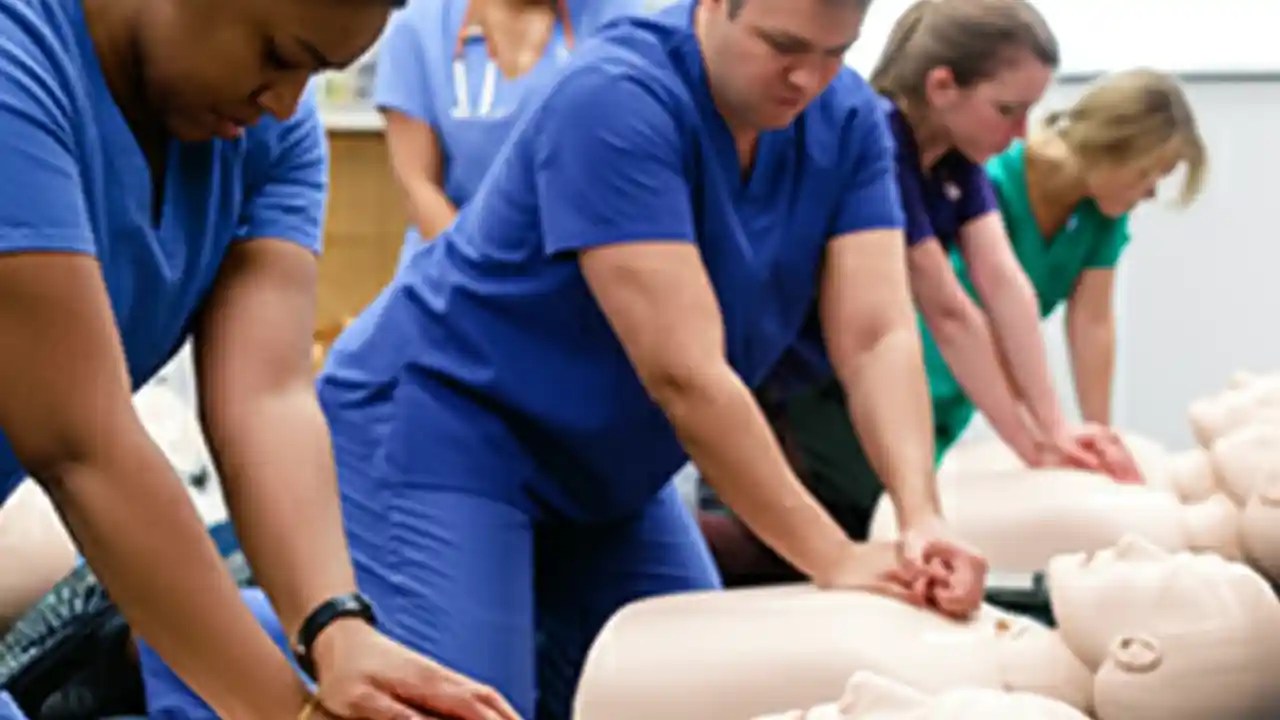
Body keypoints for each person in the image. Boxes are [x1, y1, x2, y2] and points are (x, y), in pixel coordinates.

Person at [238, 0, 992, 717]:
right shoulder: (617, 98)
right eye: (783, 46)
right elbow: (685, 376)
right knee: (461, 703)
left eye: (835, 53)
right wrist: (831, 555)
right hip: (444, 422)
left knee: (690, 696)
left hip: (605, 466)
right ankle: (238, 629)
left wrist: (919, 515)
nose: (808, 78)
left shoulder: (849, 119)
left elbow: (876, 334)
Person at [0, 0, 518, 717]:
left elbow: (266, 397)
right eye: (277, 55)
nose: (284, 101)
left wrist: (337, 630)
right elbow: (83, 448)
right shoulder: (18, 63)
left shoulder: (269, 134)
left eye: (316, 73)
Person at [376, 0, 667, 271]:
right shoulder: (420, 26)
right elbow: (417, 185)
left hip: (578, 266)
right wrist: (479, 275)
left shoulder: (619, 19)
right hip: (448, 267)